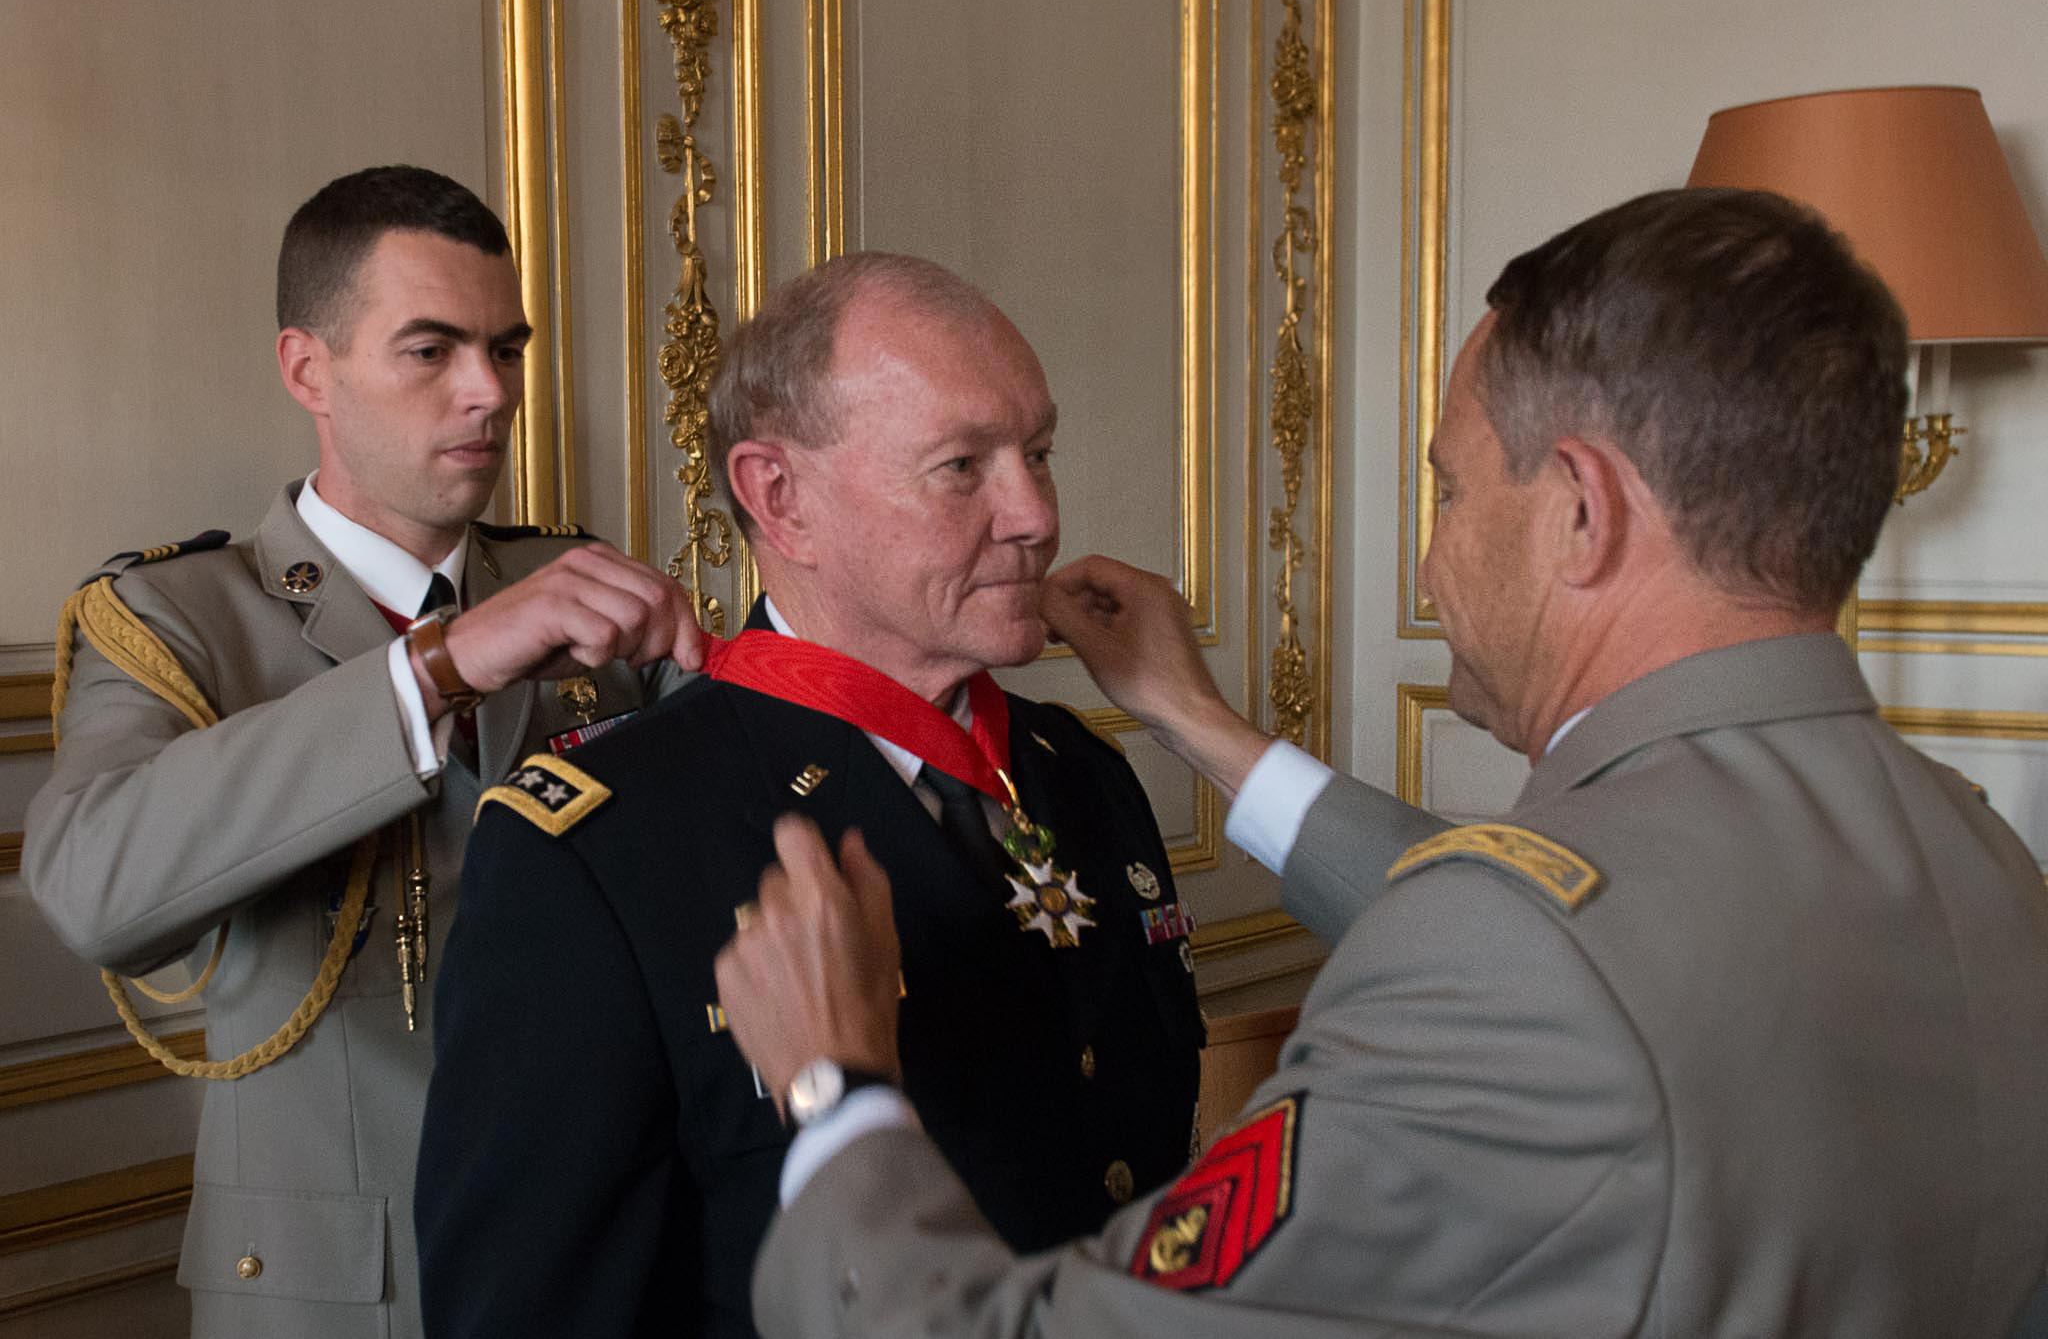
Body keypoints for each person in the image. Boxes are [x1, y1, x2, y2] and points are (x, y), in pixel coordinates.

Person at [716, 188, 2048, 1336]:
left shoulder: (1526, 961)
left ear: (1582, 510)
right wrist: (1212, 729)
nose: (1429, 558)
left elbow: (1550, 956)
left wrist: (835, 1097)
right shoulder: (1973, 850)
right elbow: (1611, 943)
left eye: (1454, 491)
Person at [413, 253, 1205, 1337]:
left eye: (1038, 452)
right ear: (779, 496)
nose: (1033, 514)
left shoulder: (1082, 771)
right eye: (961, 466)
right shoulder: (598, 846)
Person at [23, 165, 701, 1339]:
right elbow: (92, 885)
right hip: (351, 1292)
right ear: (308, 369)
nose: (488, 393)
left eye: (505, 347)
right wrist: (440, 665)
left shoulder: (577, 583)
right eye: (430, 350)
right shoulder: (180, 617)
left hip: (608, 1257)